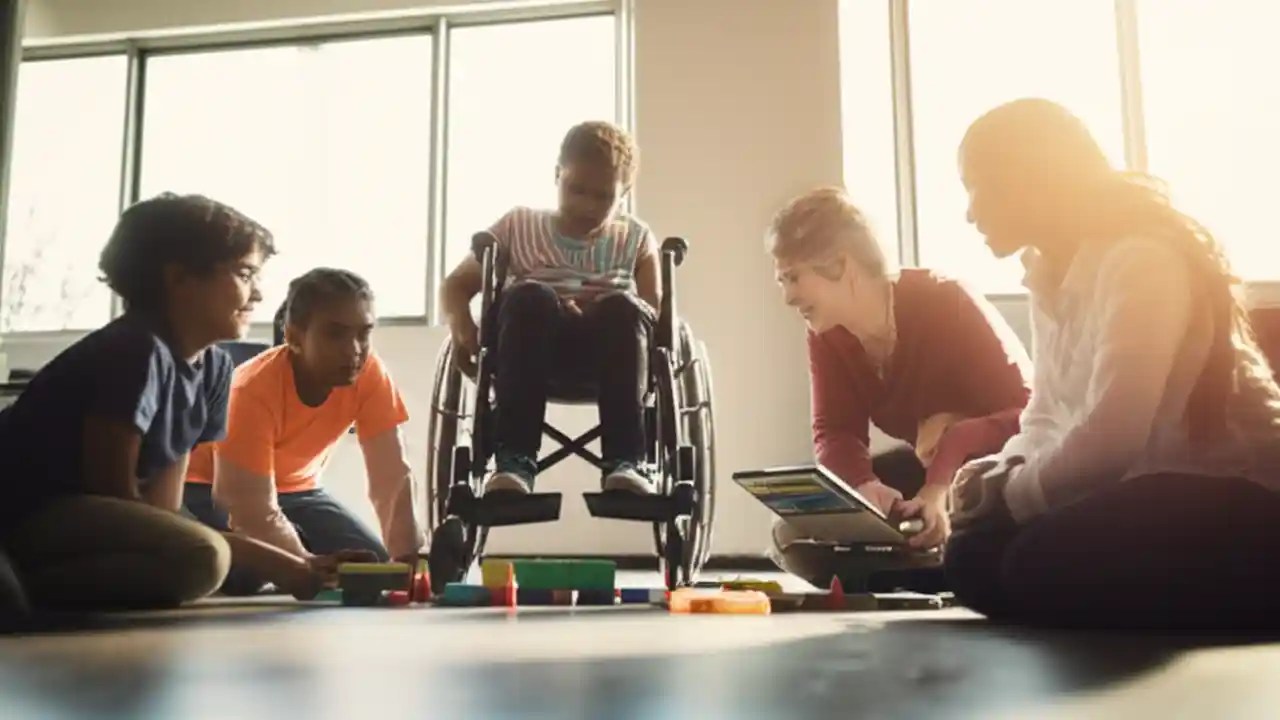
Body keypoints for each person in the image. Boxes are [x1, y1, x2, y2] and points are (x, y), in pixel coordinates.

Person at [945, 98, 1280, 631]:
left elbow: (1113, 435)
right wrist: (998, 472)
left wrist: (1009, 497)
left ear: (1030, 179)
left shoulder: (1140, 259)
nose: (969, 212)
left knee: (1036, 560)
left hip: (1240, 495)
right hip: (1143, 489)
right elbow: (1049, 413)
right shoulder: (1047, 272)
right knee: (969, 559)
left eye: (977, 186)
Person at [0, 194, 358, 618]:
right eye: (245, 273)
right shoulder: (134, 350)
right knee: (204, 556)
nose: (259, 293)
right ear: (179, 278)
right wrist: (278, 561)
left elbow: (162, 511)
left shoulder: (214, 370)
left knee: (208, 560)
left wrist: (292, 563)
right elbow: (114, 502)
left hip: (86, 527)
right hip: (29, 514)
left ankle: (20, 590)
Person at [766, 187, 1031, 589]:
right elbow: (835, 430)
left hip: (998, 473)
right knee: (789, 531)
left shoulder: (946, 300)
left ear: (841, 265)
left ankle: (930, 559)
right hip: (926, 480)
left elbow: (1031, 415)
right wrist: (866, 487)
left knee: (966, 522)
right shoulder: (826, 334)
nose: (786, 297)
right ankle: (935, 558)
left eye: (793, 277)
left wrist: (948, 460)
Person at [441, 120, 661, 496]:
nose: (586, 205)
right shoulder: (519, 224)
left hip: (611, 355)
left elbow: (655, 314)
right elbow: (456, 286)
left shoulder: (636, 239)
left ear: (624, 193)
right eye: (576, 189)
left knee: (624, 308)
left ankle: (625, 462)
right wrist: (464, 332)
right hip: (527, 345)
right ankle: (513, 460)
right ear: (557, 174)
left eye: (603, 196)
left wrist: (596, 313)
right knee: (530, 296)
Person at [185, 268, 423, 595]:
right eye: (335, 334)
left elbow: (391, 474)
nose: (354, 349)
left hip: (299, 490)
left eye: (363, 333)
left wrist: (406, 557)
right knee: (246, 576)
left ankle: (299, 541)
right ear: (294, 337)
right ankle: (293, 547)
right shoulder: (251, 390)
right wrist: (301, 563)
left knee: (375, 563)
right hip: (210, 487)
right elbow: (250, 507)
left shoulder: (371, 374)